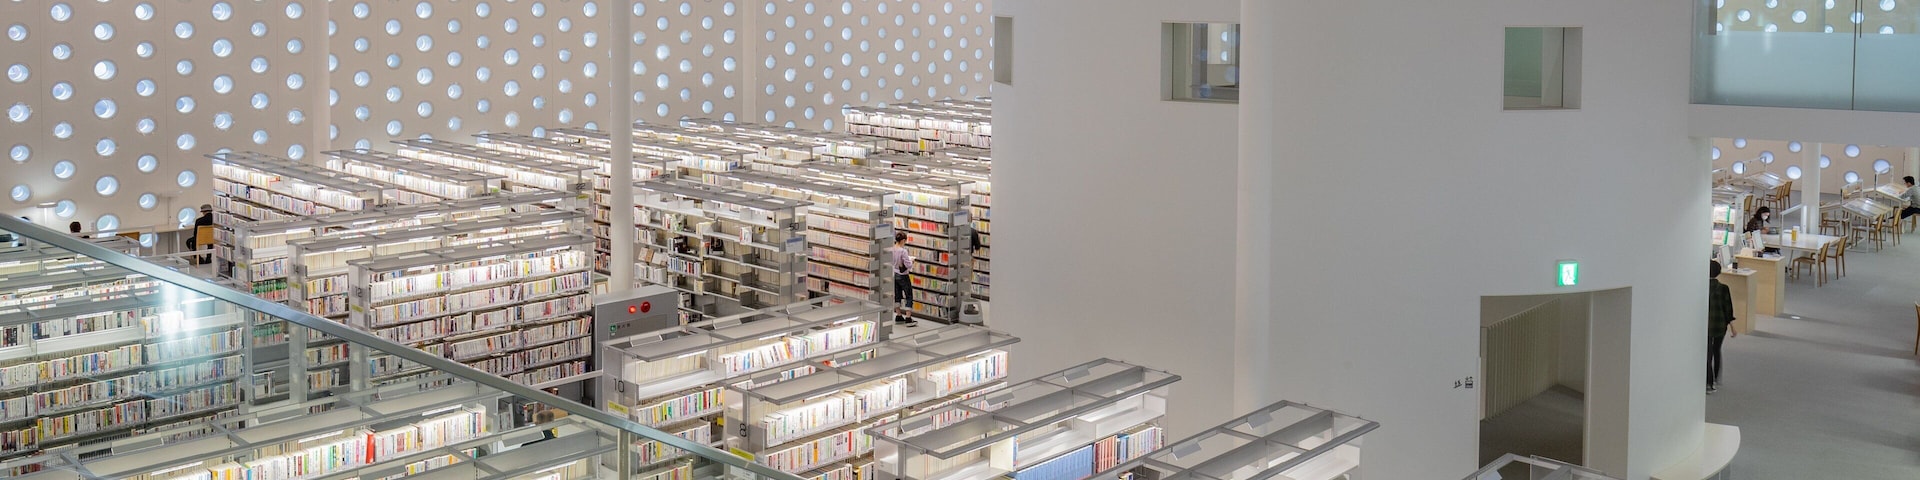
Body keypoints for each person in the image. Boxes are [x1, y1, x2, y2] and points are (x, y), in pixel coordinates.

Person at [1707, 260, 1737, 394]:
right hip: (1720, 326)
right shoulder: (1724, 288)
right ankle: (1716, 379)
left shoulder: (1701, 288)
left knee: (1707, 354)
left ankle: (1708, 382)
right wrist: (1732, 326)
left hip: (1706, 325)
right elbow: (1728, 309)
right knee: (1716, 350)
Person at [886, 231, 917, 327]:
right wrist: (912, 261)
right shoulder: (903, 251)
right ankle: (908, 317)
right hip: (903, 275)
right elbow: (908, 265)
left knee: (897, 295)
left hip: (894, 274)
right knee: (909, 295)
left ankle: (898, 315)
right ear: (903, 240)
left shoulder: (891, 249)